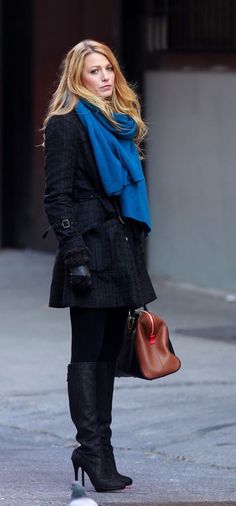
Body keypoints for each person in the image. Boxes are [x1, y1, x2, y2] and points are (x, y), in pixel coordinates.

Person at [43, 39, 157, 493]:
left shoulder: (119, 123)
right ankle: (91, 449)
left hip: (120, 245)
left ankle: (102, 450)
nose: (106, 76)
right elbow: (56, 196)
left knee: (109, 354)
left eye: (108, 67)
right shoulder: (67, 124)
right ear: (77, 77)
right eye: (94, 70)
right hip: (88, 250)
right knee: (88, 353)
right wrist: (74, 253)